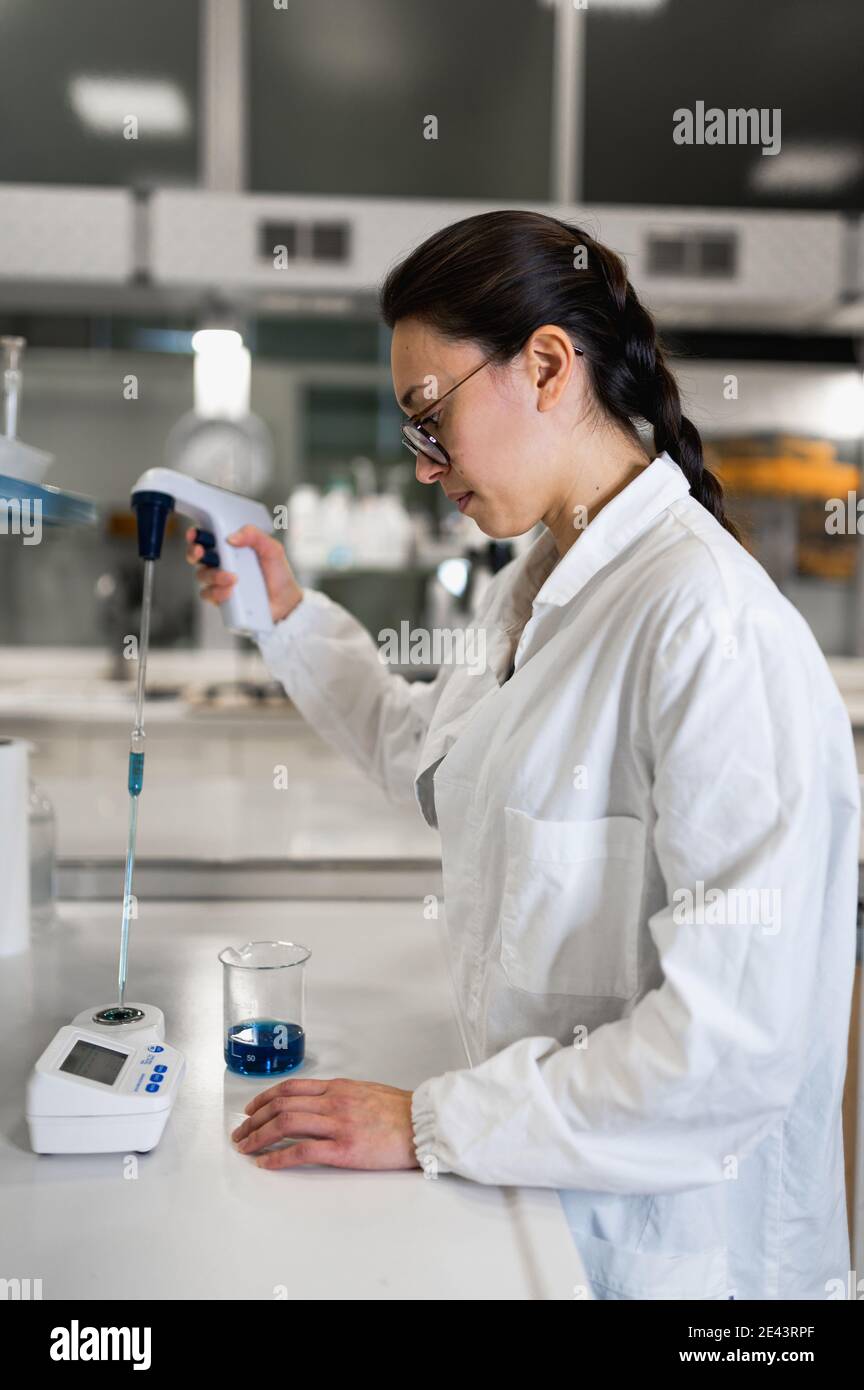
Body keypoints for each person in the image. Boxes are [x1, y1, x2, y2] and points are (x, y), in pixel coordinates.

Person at [187, 211, 860, 1301]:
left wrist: (431, 1120)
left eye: (428, 416)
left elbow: (732, 1047)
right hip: (542, 1208)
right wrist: (285, 613)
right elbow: (435, 760)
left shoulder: (705, 626)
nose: (422, 467)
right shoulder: (542, 582)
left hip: (682, 1264)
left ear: (546, 365)